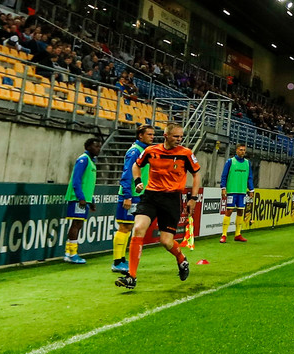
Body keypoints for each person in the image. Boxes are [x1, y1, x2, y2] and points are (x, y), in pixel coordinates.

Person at [116, 123, 201, 289]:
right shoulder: (151, 151)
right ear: (166, 136)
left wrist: (193, 198)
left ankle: (181, 259)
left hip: (171, 199)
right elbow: (136, 166)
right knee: (138, 228)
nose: (179, 139)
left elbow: (196, 174)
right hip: (151, 196)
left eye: (181, 136)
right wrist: (138, 181)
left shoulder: (186, 154)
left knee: (166, 241)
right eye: (176, 136)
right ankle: (131, 277)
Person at [112, 124, 154, 273]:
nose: (152, 137)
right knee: (124, 226)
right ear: (140, 135)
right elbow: (127, 174)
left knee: (129, 227)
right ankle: (117, 262)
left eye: (153, 134)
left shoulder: (143, 151)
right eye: (149, 134)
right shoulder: (135, 151)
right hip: (129, 195)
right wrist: (127, 196)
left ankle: (122, 259)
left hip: (138, 196)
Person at [63, 137, 102, 263]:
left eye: (99, 146)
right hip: (78, 198)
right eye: (96, 146)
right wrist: (81, 197)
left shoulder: (91, 161)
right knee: (76, 224)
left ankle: (69, 253)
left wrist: (91, 200)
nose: (98, 149)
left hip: (84, 198)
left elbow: (88, 183)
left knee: (78, 224)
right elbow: (76, 180)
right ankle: (71, 253)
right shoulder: (83, 160)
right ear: (88, 147)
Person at [219, 144, 255, 243]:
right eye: (240, 150)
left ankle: (238, 234)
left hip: (242, 191)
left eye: (244, 150)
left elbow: (250, 177)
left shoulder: (247, 163)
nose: (242, 152)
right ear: (236, 151)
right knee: (229, 211)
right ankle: (224, 235)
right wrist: (223, 188)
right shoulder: (230, 161)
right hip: (232, 191)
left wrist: (251, 190)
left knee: (240, 212)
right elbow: (224, 176)